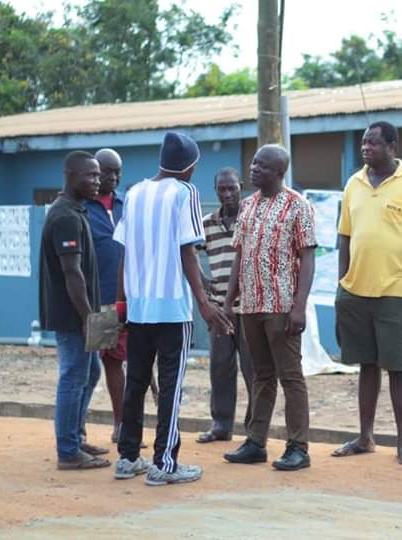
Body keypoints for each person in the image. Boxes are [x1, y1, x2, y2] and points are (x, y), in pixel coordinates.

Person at [113, 131, 233, 486]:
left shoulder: (134, 193)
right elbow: (187, 251)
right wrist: (204, 304)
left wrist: (121, 303)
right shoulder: (185, 192)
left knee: (136, 383)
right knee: (170, 387)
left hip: (138, 308)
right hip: (172, 311)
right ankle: (164, 464)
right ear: (190, 166)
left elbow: (124, 253)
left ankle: (127, 457)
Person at [332, 121, 402, 466]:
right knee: (366, 365)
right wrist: (342, 283)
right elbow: (345, 236)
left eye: (373, 143)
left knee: (398, 367)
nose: (366, 148)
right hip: (355, 291)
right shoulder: (354, 183)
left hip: (397, 292)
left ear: (392, 147)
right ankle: (365, 437)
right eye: (364, 143)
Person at [222, 144, 317, 471]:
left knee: (290, 376)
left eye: (262, 165)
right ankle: (255, 442)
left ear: (279, 172)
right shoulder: (247, 205)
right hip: (250, 305)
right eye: (253, 163)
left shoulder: (298, 205)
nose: (254, 169)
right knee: (261, 374)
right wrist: (228, 300)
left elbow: (307, 258)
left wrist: (299, 306)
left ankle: (298, 448)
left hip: (281, 304)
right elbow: (239, 255)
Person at [39, 150, 110, 470]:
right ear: (70, 175)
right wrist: (87, 319)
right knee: (73, 376)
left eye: (98, 175)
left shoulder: (76, 210)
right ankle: (68, 451)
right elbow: (72, 273)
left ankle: (75, 438)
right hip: (73, 316)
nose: (98, 180)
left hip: (83, 313)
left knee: (90, 372)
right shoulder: (65, 216)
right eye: (91, 175)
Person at [196, 167, 254, 443]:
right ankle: (221, 425)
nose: (227, 194)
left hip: (251, 308)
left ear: (241, 186)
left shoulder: (251, 219)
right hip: (219, 308)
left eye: (232, 188)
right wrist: (202, 280)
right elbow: (187, 253)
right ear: (215, 191)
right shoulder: (206, 223)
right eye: (222, 189)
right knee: (219, 367)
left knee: (253, 369)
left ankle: (255, 429)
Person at [84, 148, 128, 445]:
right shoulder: (83, 208)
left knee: (123, 361)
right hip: (98, 300)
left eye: (117, 172)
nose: (113, 177)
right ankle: (81, 429)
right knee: (94, 366)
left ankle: (123, 425)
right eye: (107, 171)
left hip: (130, 299)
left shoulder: (127, 205)